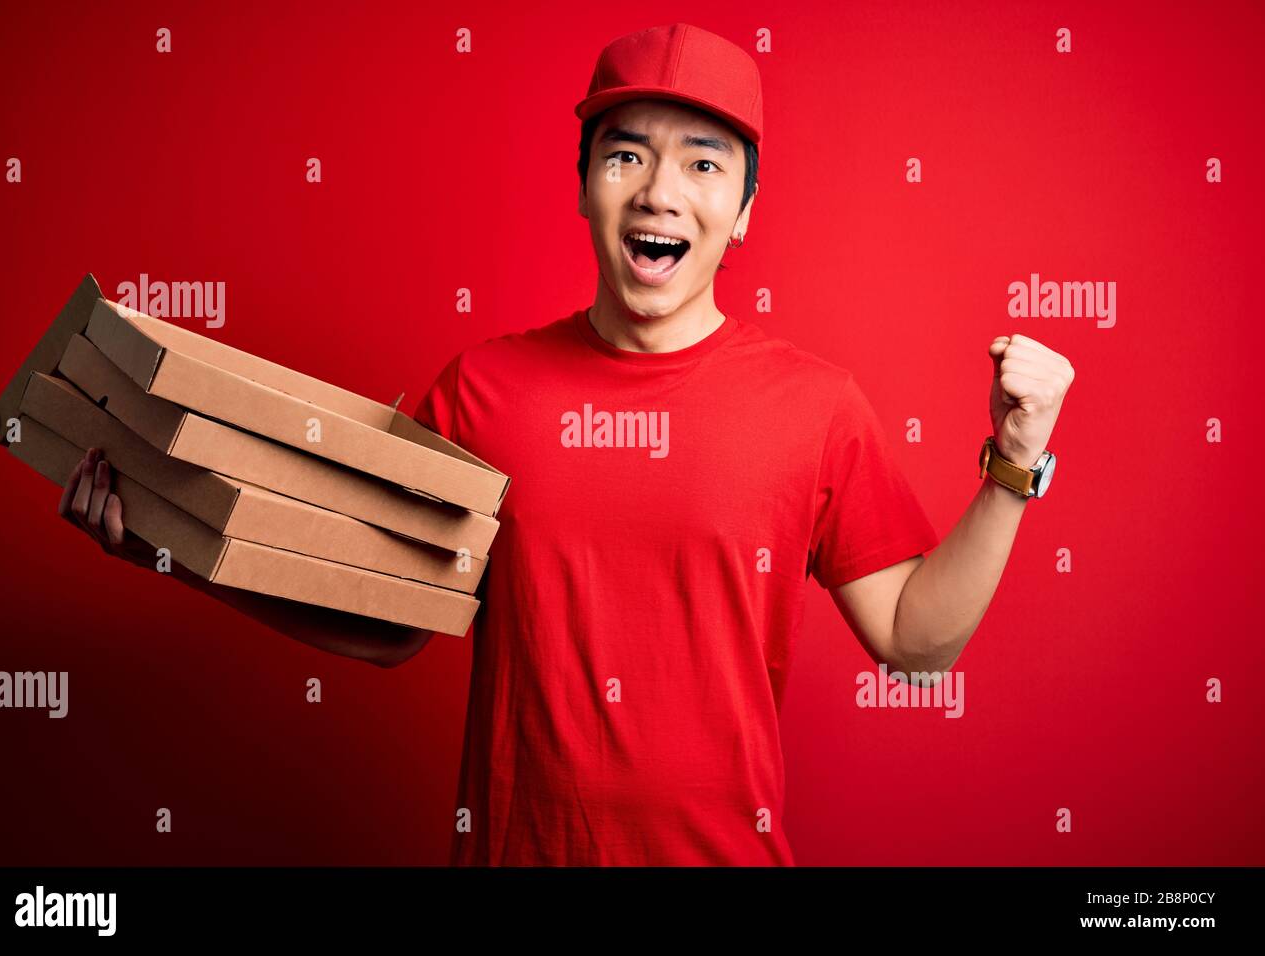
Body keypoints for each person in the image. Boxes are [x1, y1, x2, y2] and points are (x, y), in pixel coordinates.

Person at [59, 22, 1074, 865]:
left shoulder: (817, 406)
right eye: (626, 153)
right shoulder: (480, 390)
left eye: (702, 162)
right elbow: (388, 620)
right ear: (585, 184)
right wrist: (168, 539)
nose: (659, 192)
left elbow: (912, 639)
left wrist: (1014, 463)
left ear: (745, 212)